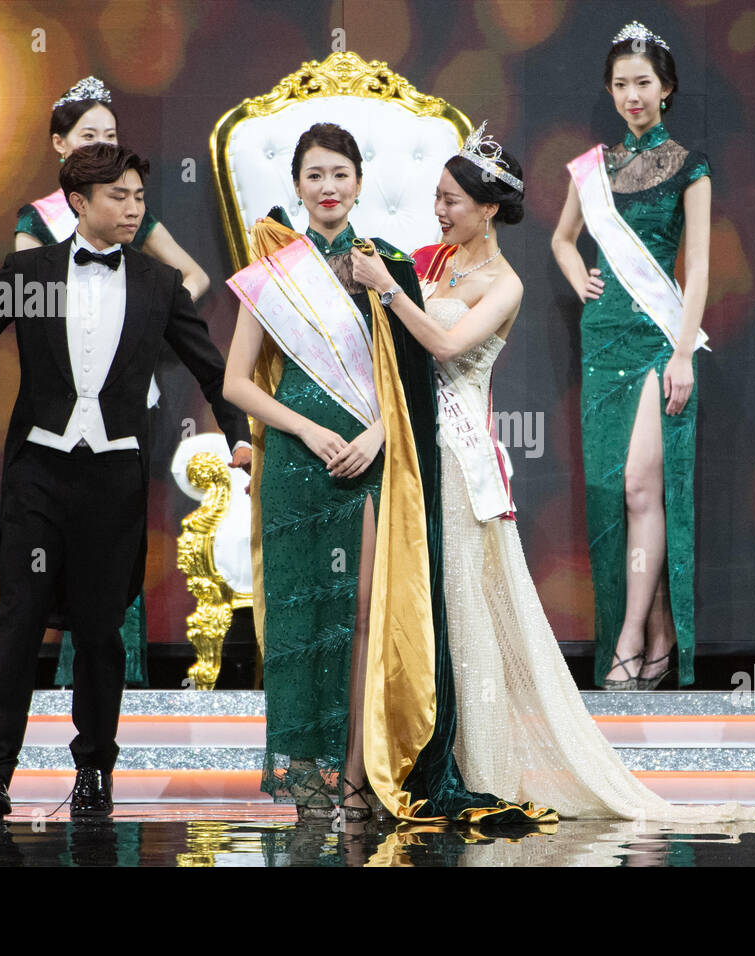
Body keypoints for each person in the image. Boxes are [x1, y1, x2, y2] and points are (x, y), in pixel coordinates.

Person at [349, 125, 755, 824]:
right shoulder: (430, 262)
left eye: (451, 200)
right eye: (436, 198)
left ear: (488, 209)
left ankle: (466, 762)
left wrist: (390, 292)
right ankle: (405, 755)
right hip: (413, 454)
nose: (439, 211)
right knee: (413, 609)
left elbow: (448, 345)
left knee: (461, 608)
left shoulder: (505, 284)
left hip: (457, 461)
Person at [223, 123, 552, 826]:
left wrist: (377, 435)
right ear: (298, 185)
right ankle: (307, 777)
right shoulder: (275, 275)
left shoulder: (394, 267)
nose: (328, 188)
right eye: (314, 176)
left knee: (367, 612)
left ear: (360, 183)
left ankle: (358, 773)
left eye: (340, 174)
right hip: (295, 456)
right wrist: (308, 429)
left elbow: (411, 373)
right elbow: (236, 383)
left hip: (376, 458)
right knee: (300, 616)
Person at [0, 144, 251, 818]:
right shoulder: (28, 271)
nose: (134, 208)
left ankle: (94, 772)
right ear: (79, 202)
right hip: (39, 475)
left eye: (139, 197)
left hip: (113, 478)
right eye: (119, 197)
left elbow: (210, 369)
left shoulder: (159, 284)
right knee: (18, 619)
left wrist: (242, 435)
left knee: (102, 630)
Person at [22, 76, 212, 688]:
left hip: (125, 401)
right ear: (59, 145)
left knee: (120, 536)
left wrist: (137, 339)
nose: (98, 144)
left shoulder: (134, 212)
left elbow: (192, 278)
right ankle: (63, 687)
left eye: (109, 136)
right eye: (86, 137)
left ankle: (119, 676)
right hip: (57, 408)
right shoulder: (39, 219)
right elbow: (31, 309)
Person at [552, 22, 712, 690]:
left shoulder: (690, 167)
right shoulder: (595, 169)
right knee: (614, 492)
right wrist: (575, 274)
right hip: (604, 337)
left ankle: (629, 634)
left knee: (644, 485)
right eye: (620, 84)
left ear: (666, 88)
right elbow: (562, 239)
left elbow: (699, 265)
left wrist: (682, 352)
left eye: (643, 83)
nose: (631, 95)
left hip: (658, 339)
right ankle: (655, 632)